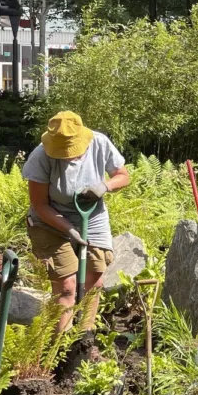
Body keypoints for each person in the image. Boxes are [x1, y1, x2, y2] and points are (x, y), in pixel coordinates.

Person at [23, 111, 131, 333]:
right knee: (66, 287)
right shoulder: (41, 156)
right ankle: (60, 347)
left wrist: (105, 186)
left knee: (94, 281)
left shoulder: (99, 143)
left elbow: (123, 175)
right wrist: (67, 228)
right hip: (49, 221)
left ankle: (84, 338)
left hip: (91, 216)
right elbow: (40, 205)